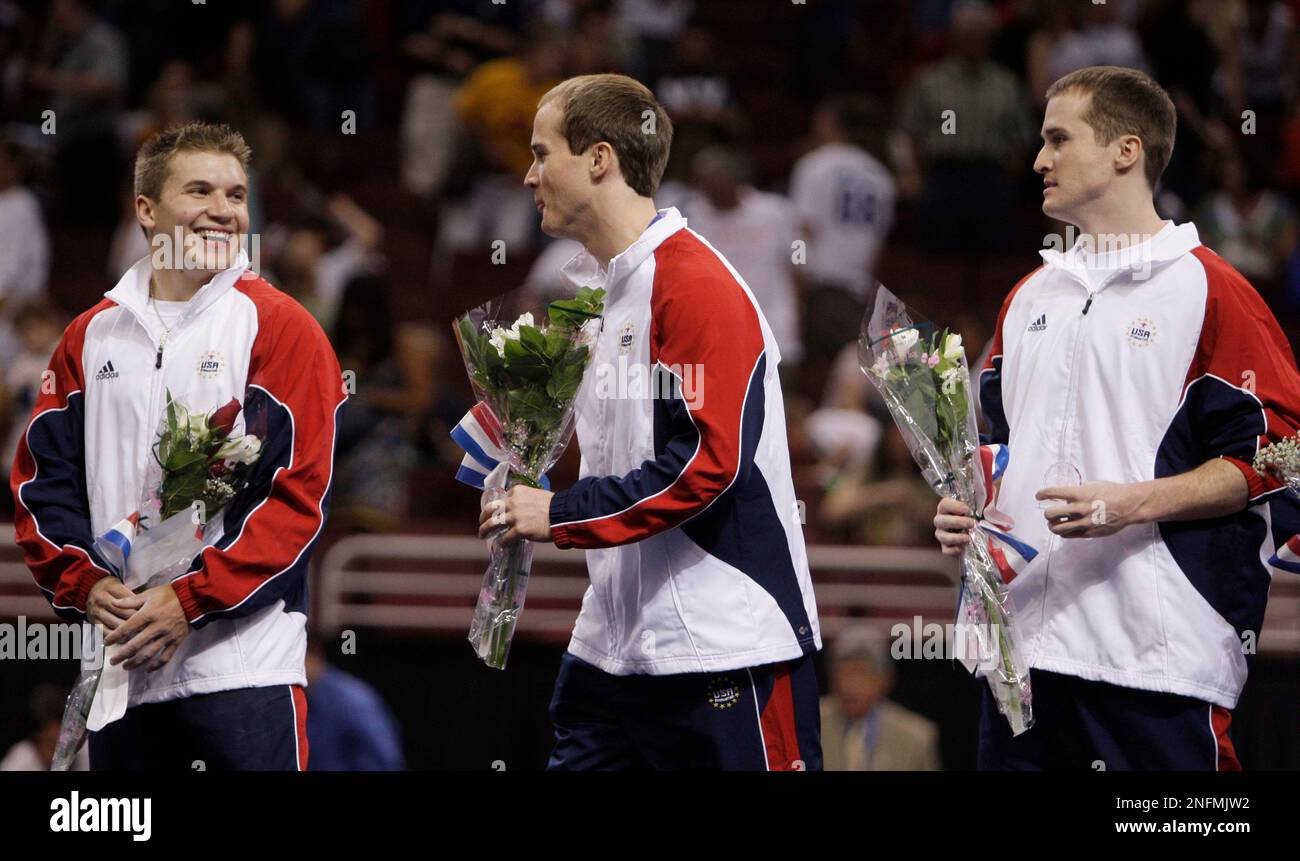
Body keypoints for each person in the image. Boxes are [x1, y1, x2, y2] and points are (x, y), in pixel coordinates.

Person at [934, 66, 1300, 770]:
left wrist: (1134, 502)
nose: (1038, 159)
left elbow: (1283, 454)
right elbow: (993, 449)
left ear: (1125, 151)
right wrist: (962, 505)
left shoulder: (1212, 292)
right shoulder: (1029, 295)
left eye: (1058, 139)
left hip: (1155, 660)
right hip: (1021, 658)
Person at [478, 73, 822, 770]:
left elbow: (706, 464)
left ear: (599, 159)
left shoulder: (695, 285)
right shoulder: (602, 293)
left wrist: (561, 512)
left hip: (725, 648)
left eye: (543, 154)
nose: (528, 175)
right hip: (615, 646)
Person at [10, 121, 347, 770]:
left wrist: (191, 598)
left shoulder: (282, 327)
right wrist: (83, 583)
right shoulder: (89, 336)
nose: (224, 210)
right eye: (200, 191)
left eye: (236, 194)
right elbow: (40, 486)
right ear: (146, 209)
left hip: (240, 667)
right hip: (121, 667)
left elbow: (296, 499)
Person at [819, 628, 940, 771]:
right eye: (843, 674)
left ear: (884, 680)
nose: (849, 686)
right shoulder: (809, 724)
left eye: (860, 674)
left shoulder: (916, 737)